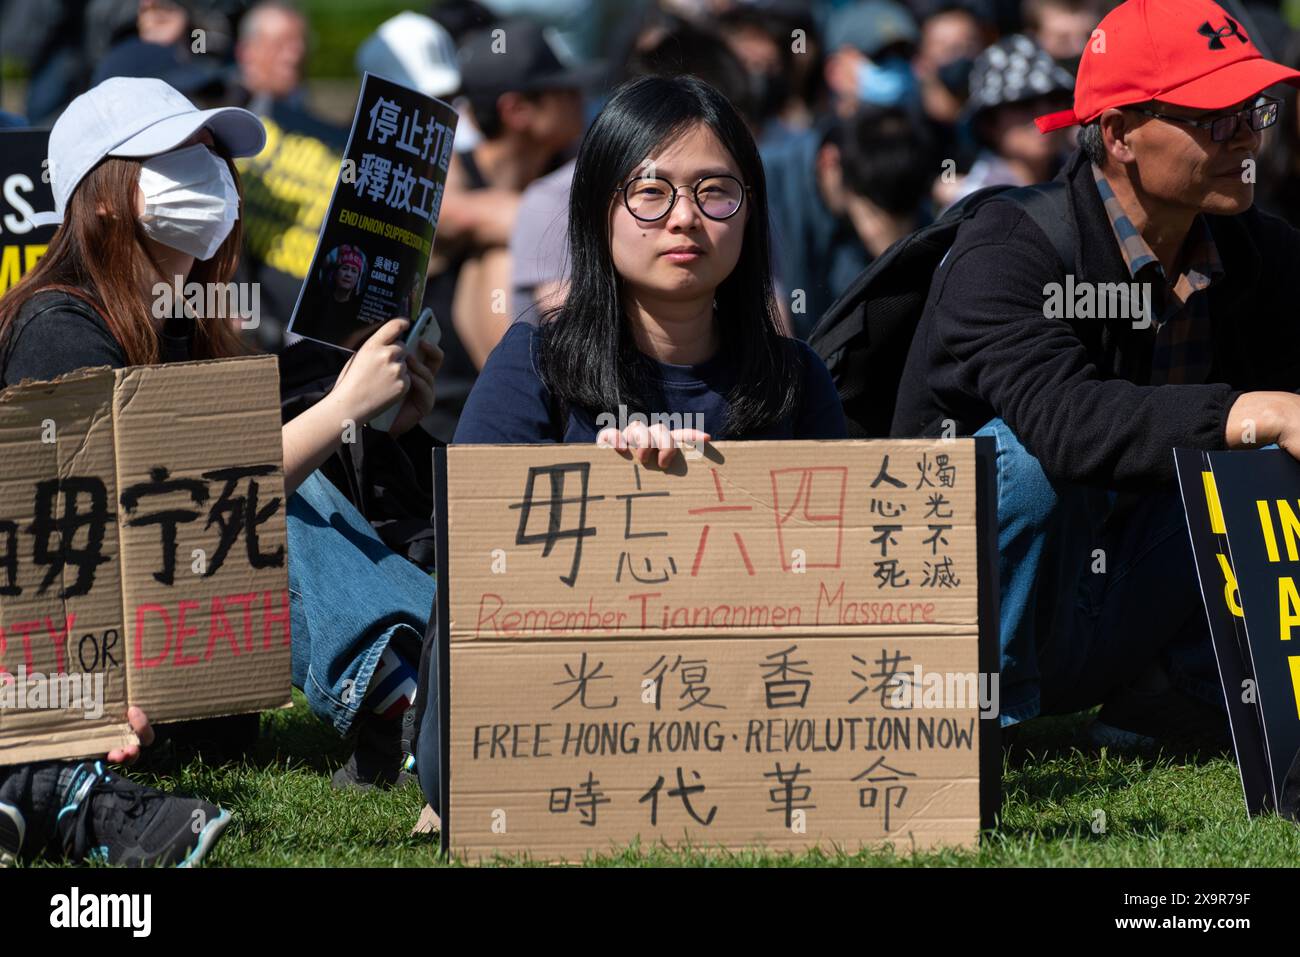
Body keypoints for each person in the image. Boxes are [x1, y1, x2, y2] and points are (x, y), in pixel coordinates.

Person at [0, 76, 441, 865]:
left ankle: (421, 672)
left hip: (186, 659)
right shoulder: (57, 328)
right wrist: (336, 410)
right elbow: (133, 523)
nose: (210, 170)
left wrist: (378, 421)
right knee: (261, 493)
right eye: (180, 153)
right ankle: (411, 686)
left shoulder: (179, 324)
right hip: (88, 660)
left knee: (279, 479)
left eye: (214, 153)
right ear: (101, 197)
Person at [415, 75, 848, 820]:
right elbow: (471, 558)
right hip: (559, 699)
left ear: (750, 213)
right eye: (651, 192)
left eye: (717, 192)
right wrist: (600, 497)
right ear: (599, 210)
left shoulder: (794, 379)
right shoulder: (534, 363)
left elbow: (844, 579)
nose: (686, 219)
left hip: (744, 705)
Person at [890, 0, 1300, 750]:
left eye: (1255, 107)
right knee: (1021, 464)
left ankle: (1176, 694)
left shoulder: (1261, 253)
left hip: (1119, 607)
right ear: (1118, 134)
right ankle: (975, 727)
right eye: (1213, 115)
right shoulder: (1008, 247)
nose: (1245, 135)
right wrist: (1250, 411)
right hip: (967, 611)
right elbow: (1067, 426)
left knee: (1276, 459)